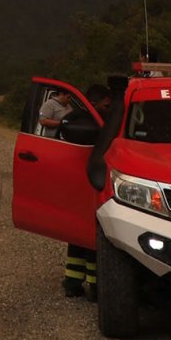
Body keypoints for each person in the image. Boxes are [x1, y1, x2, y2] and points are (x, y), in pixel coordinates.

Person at [63, 83, 113, 298]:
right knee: (88, 231)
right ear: (94, 103)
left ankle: (76, 282)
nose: (108, 108)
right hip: (88, 179)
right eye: (106, 104)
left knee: (88, 232)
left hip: (97, 178)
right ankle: (89, 285)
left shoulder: (105, 119)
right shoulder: (83, 120)